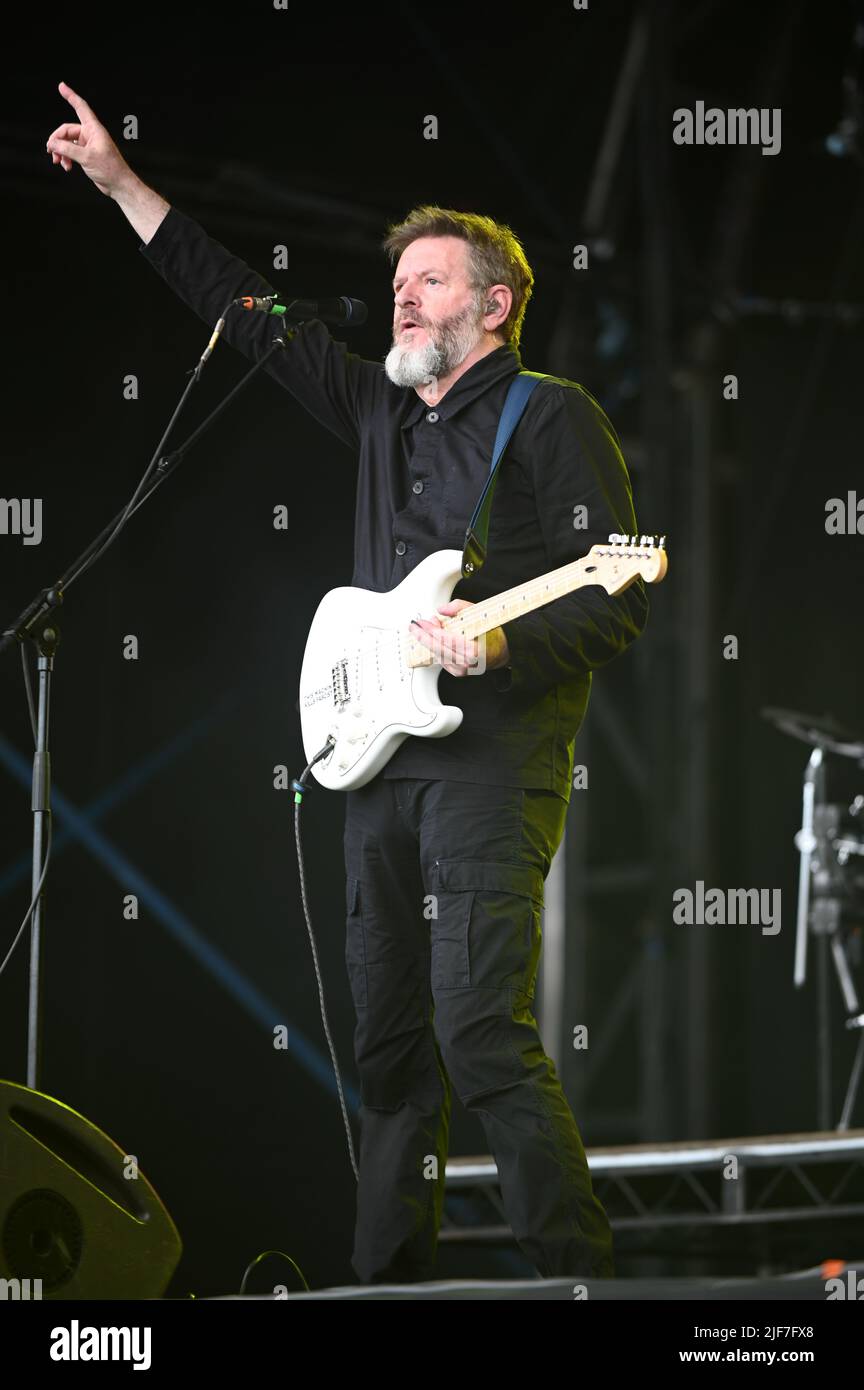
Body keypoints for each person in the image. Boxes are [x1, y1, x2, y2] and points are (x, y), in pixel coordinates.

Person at [46, 81, 649, 1284]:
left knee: (481, 1032)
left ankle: (584, 1282)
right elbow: (243, 305)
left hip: (488, 765)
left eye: (427, 280)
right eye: (397, 282)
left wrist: (502, 645)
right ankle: (387, 1289)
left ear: (494, 302)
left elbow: (616, 586)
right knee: (387, 1052)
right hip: (374, 764)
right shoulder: (377, 409)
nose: (401, 295)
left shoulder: (551, 416)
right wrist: (122, 184)